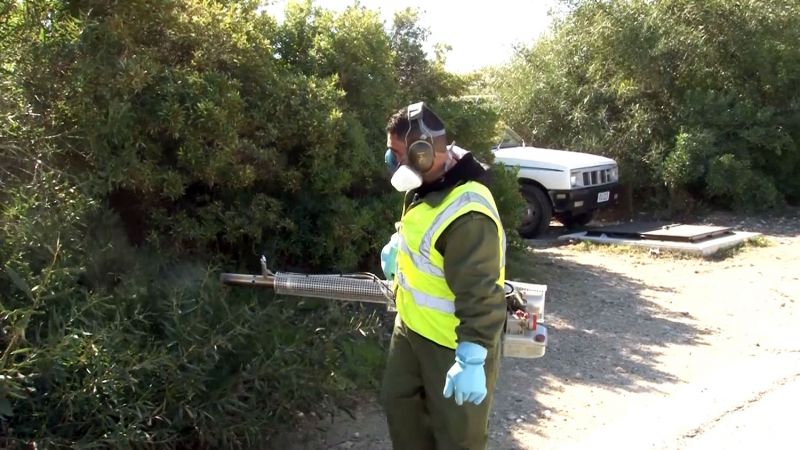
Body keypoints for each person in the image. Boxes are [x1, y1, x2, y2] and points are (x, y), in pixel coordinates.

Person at [379, 102, 507, 450]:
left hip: (452, 345)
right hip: (411, 329)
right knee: (401, 410)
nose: (392, 163)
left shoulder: (469, 216)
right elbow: (426, 231)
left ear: (422, 154)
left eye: (396, 155)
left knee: (456, 438)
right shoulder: (430, 182)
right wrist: (398, 245)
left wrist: (472, 358)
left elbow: (480, 293)